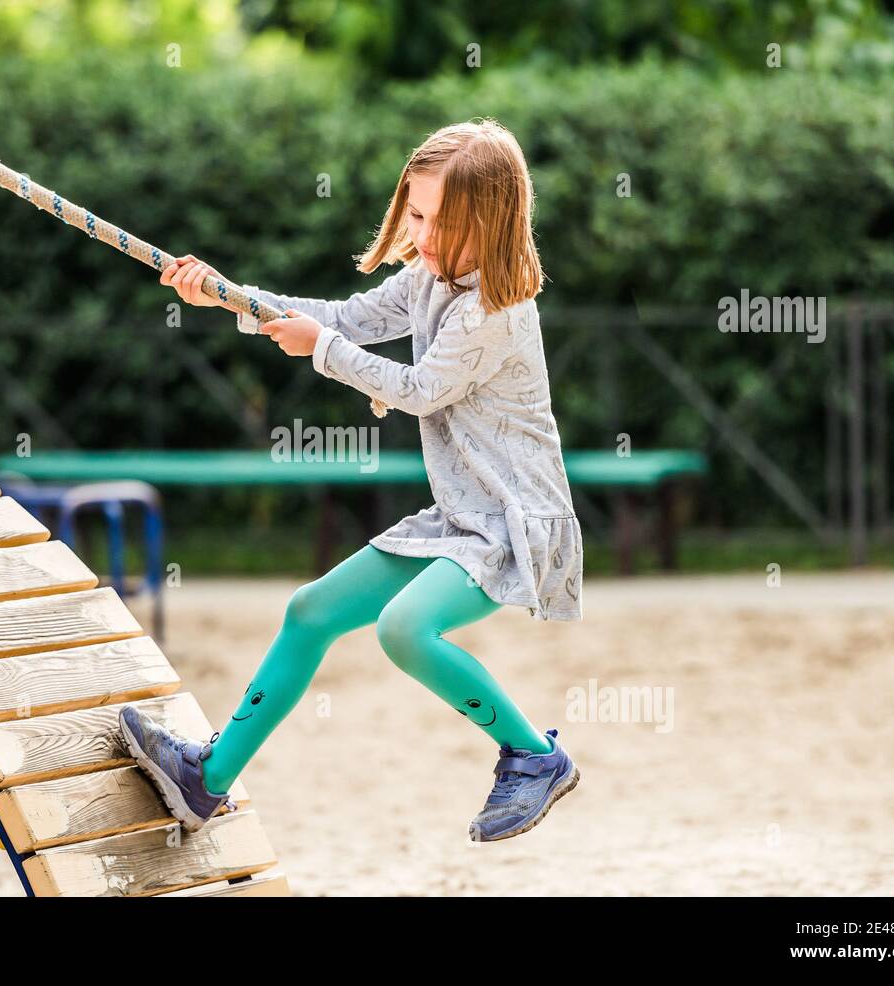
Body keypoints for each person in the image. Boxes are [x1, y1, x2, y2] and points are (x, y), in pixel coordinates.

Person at [121, 119, 583, 843]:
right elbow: (344, 318)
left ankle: (535, 757)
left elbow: (422, 388)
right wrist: (231, 297)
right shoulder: (430, 278)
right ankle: (204, 782)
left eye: (443, 222)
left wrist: (324, 351)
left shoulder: (494, 309)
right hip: (461, 516)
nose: (424, 235)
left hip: (510, 522)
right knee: (311, 612)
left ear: (492, 221)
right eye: (417, 214)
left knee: (405, 628)